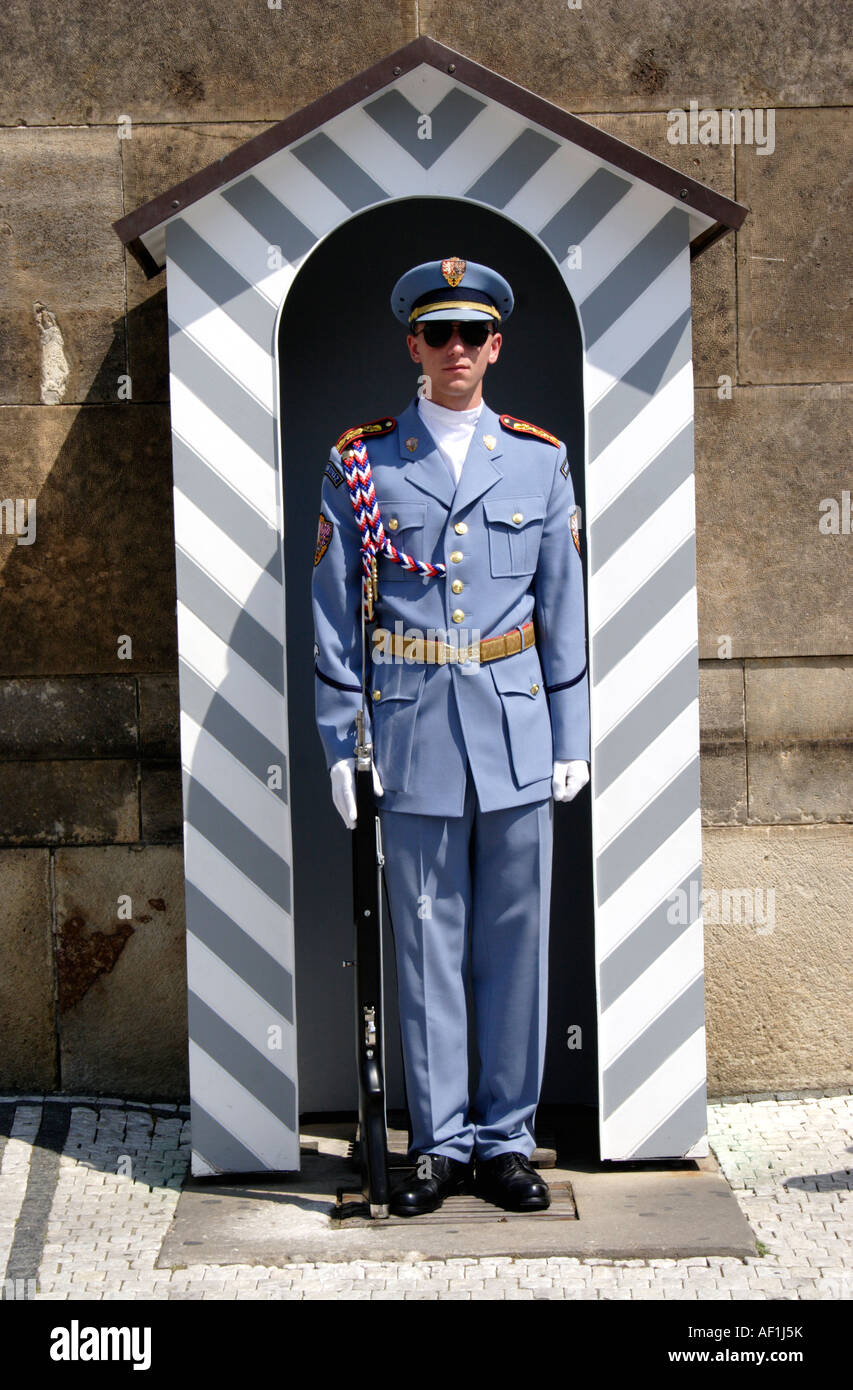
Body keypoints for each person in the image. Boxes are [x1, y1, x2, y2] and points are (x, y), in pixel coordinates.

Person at [311, 256, 589, 1216]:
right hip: (413, 730)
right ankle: (437, 1143)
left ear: (496, 346)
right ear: (414, 346)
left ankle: (508, 1141)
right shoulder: (363, 461)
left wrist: (572, 735)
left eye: (473, 335)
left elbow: (563, 608)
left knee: (517, 941)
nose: (457, 350)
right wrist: (339, 741)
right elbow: (334, 618)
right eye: (440, 335)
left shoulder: (540, 459)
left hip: (516, 731)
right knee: (425, 938)